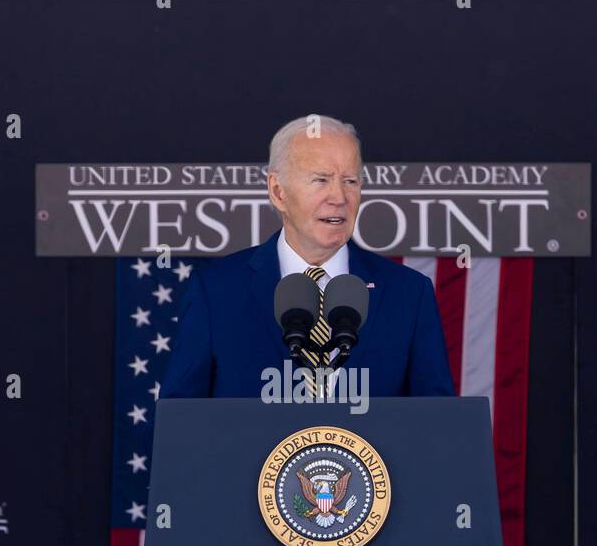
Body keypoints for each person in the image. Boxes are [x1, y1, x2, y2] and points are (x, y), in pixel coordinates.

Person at [160, 114, 455, 398]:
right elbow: (180, 419)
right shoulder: (216, 291)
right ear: (278, 192)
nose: (339, 197)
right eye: (321, 180)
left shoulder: (408, 293)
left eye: (350, 181)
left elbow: (437, 420)